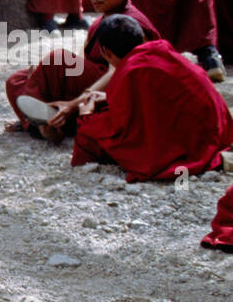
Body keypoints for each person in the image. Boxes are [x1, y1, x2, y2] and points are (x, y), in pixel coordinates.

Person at [7, 0, 159, 141]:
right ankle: (46, 122)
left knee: (58, 60)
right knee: (18, 79)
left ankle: (40, 124)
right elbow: (83, 58)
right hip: (90, 79)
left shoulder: (131, 24)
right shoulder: (102, 19)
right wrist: (43, 71)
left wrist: (80, 99)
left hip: (110, 87)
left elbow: (122, 72)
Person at [64, 14, 233, 179]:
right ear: (142, 37)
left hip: (197, 141)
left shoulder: (130, 70)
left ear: (105, 53)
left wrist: (85, 115)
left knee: (88, 131)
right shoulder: (161, 49)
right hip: (217, 127)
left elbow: (120, 129)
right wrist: (109, 97)